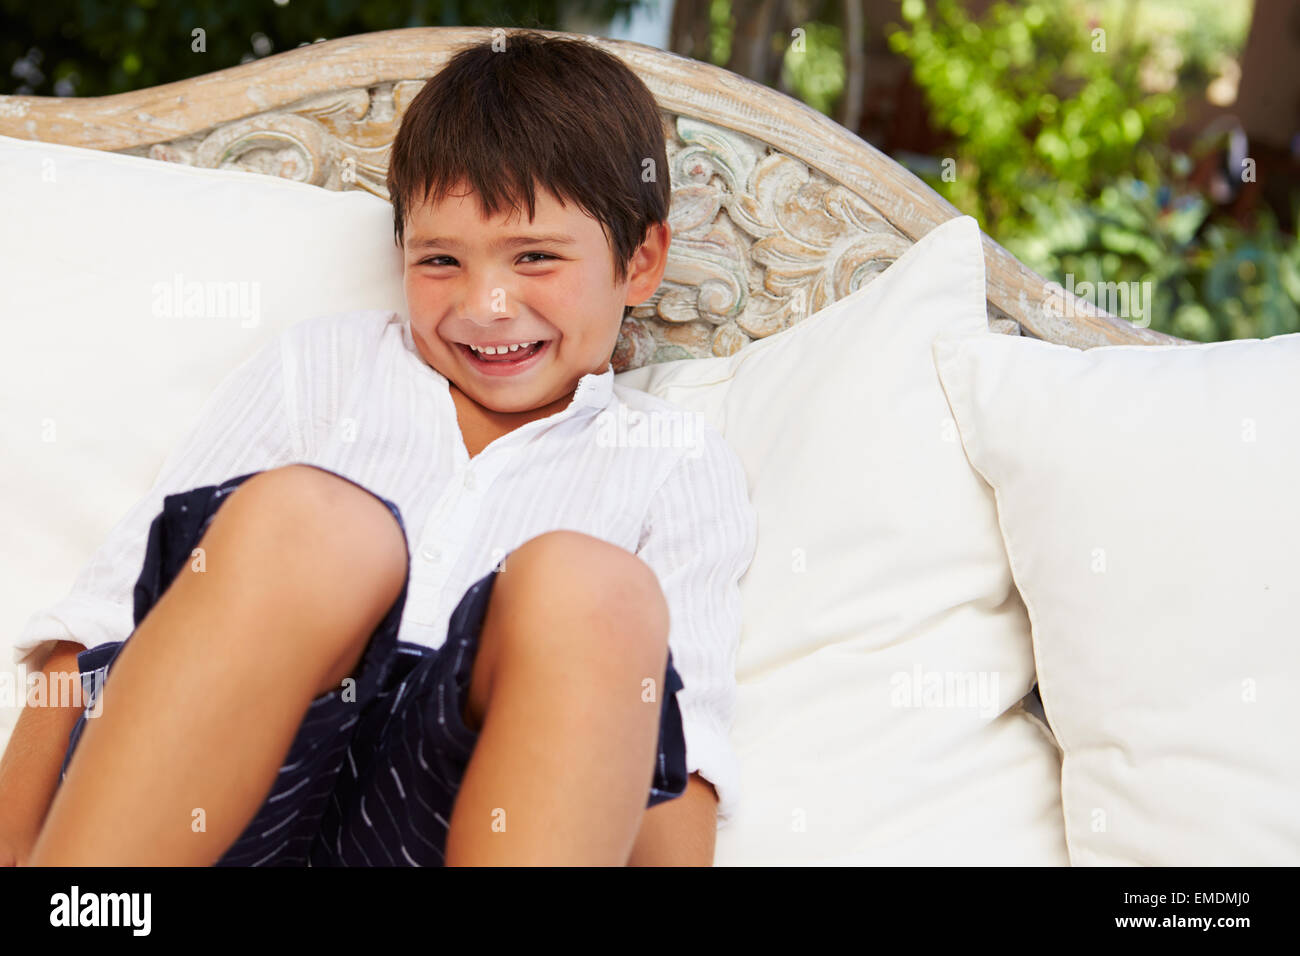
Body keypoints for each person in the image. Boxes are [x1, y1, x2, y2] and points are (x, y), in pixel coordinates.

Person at [0, 30, 756, 867]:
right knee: (316, 522)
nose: (487, 304)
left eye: (535, 257)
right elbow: (102, 623)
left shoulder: (673, 461)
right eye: (440, 259)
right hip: (214, 788)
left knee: (592, 588)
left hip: (457, 811)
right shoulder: (323, 367)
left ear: (641, 260)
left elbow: (680, 765)